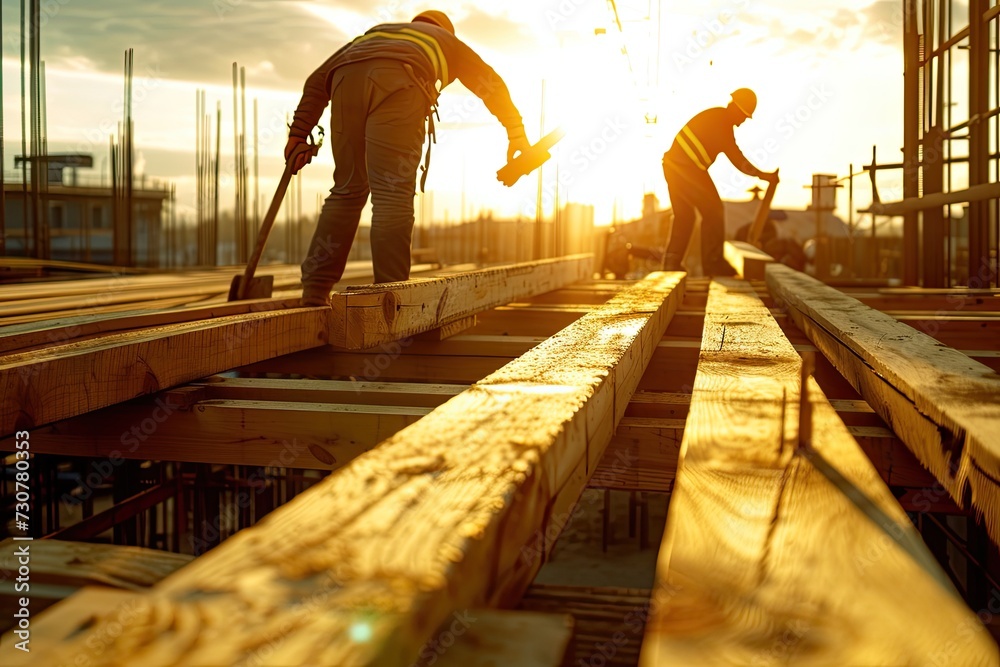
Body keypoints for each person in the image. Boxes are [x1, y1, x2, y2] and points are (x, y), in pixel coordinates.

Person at [286, 10, 531, 306]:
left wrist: (298, 135)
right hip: (401, 79)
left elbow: (316, 80)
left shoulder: (375, 32)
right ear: (446, 31)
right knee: (391, 195)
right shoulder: (445, 39)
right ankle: (390, 298)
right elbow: (489, 82)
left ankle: (314, 292)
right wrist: (516, 132)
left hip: (345, 80)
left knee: (346, 191)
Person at [660, 88, 779, 275]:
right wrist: (763, 175)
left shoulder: (716, 117)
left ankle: (671, 262)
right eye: (744, 116)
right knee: (714, 210)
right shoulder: (722, 125)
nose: (742, 122)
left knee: (685, 216)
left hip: (673, 166)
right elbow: (738, 159)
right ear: (737, 109)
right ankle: (713, 264)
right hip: (687, 168)